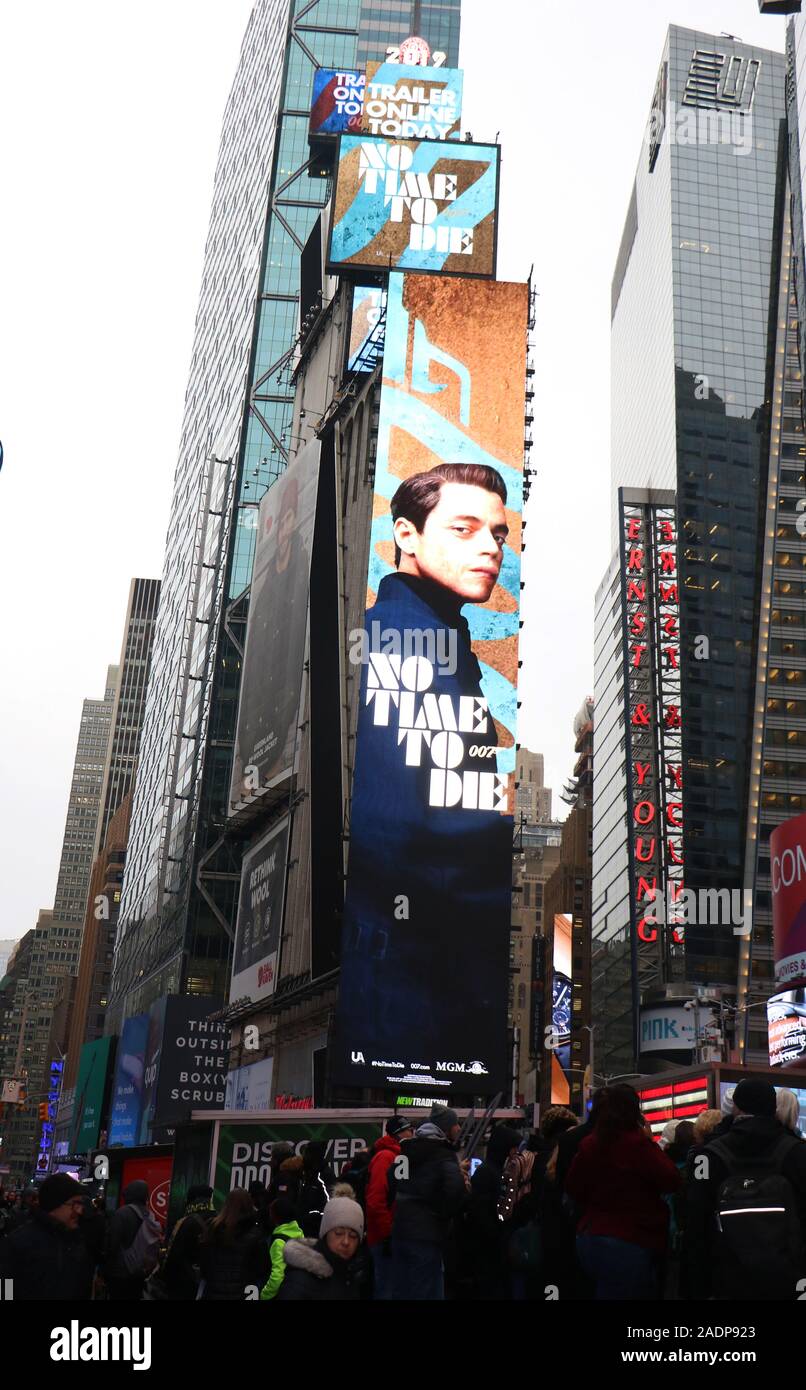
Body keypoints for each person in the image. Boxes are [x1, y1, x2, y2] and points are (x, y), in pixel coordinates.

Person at [336, 463, 514, 1075]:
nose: (491, 548)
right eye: (465, 529)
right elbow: (397, 826)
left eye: (499, 533)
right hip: (407, 977)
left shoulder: (441, 641)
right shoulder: (401, 641)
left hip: (426, 971)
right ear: (406, 535)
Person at [684, 1077, 806, 1300]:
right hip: (786, 1278)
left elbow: (696, 1226)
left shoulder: (710, 1155)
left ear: (737, 1107)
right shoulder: (796, 1152)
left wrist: (696, 1287)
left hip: (728, 1277)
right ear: (772, 1107)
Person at [565, 1085, 680, 1300]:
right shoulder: (637, 1145)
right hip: (631, 1239)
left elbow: (573, 1186)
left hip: (590, 1236)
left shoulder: (590, 1144)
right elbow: (671, 1179)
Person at [389, 1107, 469, 1301]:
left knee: (402, 1289)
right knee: (427, 1289)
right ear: (445, 1128)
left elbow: (392, 1181)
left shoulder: (407, 1149)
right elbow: (454, 1190)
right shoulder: (443, 1153)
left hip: (400, 1230)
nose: (458, 1128)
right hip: (427, 1235)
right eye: (455, 1124)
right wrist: (441, 1213)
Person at [0, 1173, 93, 1300]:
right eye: (74, 1204)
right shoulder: (18, 1242)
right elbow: (5, 1289)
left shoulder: (76, 1240)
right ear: (55, 1204)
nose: (79, 1211)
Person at [464, 1124, 522, 1300]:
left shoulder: (489, 1170)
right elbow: (482, 1212)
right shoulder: (490, 1173)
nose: (515, 1155)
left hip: (488, 1247)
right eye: (513, 1149)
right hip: (489, 1249)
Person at [276, 1197, 367, 1302]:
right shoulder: (299, 1282)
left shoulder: (352, 1275)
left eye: (353, 1236)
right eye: (338, 1233)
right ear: (325, 1234)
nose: (346, 1241)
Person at [365, 1116, 414, 1300]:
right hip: (385, 1238)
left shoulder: (399, 1156)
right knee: (388, 1290)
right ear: (400, 1133)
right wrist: (387, 1235)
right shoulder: (385, 1157)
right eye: (410, 1129)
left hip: (394, 1236)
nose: (412, 1133)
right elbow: (375, 1201)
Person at [197, 1188, 270, 1300]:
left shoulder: (212, 1230)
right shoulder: (256, 1235)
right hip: (244, 1294)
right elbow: (261, 1272)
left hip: (213, 1292)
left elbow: (204, 1267)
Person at [104, 1180, 161, 1301]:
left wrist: (104, 1271)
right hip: (141, 1272)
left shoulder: (122, 1213)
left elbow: (112, 1245)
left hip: (120, 1273)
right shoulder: (149, 1214)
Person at [161, 1184, 216, 1301]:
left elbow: (173, 1257)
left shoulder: (185, 1222)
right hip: (211, 1284)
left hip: (185, 1285)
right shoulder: (218, 1220)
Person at [259, 1197, 305, 1301]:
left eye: (271, 1212)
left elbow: (277, 1276)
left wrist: (264, 1295)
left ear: (275, 1216)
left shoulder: (278, 1241)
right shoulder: (299, 1233)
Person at [297, 1141, 336, 1238]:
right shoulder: (306, 1173)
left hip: (317, 1229)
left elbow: (330, 1202)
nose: (304, 1156)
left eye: (307, 1153)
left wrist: (312, 1215)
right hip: (304, 1227)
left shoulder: (324, 1175)